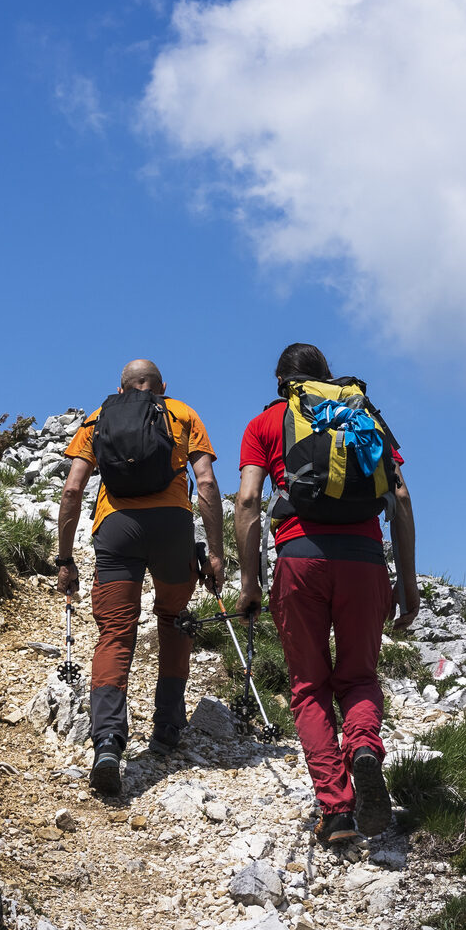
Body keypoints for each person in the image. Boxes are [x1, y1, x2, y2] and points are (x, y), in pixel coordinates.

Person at [234, 343, 419, 845]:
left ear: (280, 383)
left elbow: (249, 500)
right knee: (358, 675)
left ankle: (336, 811)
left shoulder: (265, 424)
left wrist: (250, 583)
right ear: (328, 377)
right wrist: (409, 583)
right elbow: (399, 497)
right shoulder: (362, 415)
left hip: (300, 560)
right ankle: (362, 748)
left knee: (309, 686)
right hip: (364, 561)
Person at [56, 359, 225, 795]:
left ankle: (109, 744)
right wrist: (217, 552)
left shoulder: (97, 419)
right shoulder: (182, 412)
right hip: (172, 527)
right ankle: (168, 726)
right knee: (173, 618)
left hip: (117, 528)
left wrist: (63, 558)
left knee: (115, 633)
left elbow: (73, 488)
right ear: (161, 387)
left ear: (122, 388)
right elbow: (205, 483)